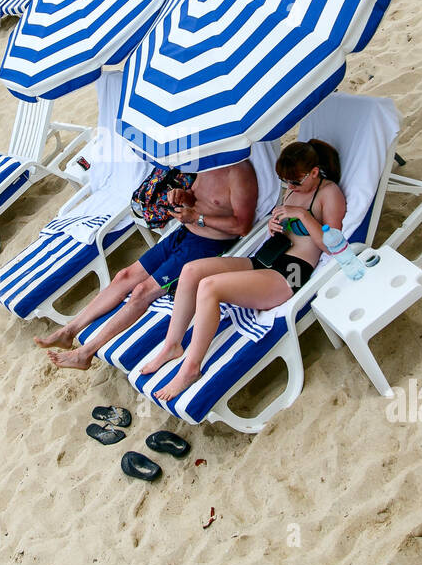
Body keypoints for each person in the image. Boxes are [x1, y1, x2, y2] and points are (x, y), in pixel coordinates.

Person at [139, 140, 346, 402]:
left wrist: (303, 217)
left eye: (295, 182)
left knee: (210, 288)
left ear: (315, 172)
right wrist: (274, 224)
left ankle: (191, 367)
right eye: (285, 182)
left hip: (290, 272)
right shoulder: (292, 191)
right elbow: (285, 221)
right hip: (265, 258)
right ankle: (172, 345)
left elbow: (333, 245)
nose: (290, 187)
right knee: (192, 271)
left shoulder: (329, 194)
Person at [40, 159, 259, 369]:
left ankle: (84, 354)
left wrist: (197, 219)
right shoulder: (209, 160)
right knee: (123, 276)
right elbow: (202, 199)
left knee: (141, 292)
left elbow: (242, 227)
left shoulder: (240, 174)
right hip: (183, 233)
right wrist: (184, 196)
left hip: (207, 245)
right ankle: (69, 331)